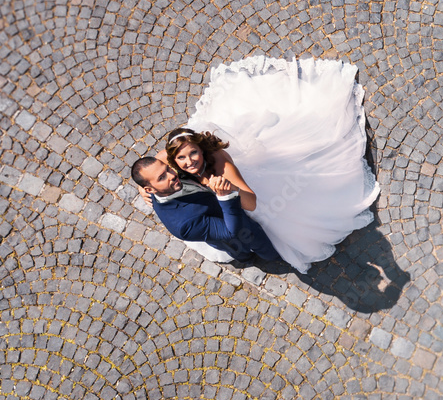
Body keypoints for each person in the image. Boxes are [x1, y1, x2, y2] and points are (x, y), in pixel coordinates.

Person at [140, 54, 380, 273]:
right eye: (181, 158)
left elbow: (251, 202)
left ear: (201, 148)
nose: (188, 162)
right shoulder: (170, 161)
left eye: (193, 153)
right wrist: (142, 187)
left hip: (245, 193)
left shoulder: (220, 162)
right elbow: (151, 167)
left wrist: (226, 191)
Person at [129, 156, 281, 262]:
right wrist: (224, 196)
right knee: (249, 249)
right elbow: (230, 232)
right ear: (149, 189)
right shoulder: (183, 225)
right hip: (235, 233)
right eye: (161, 178)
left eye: (168, 169)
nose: (172, 175)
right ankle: (255, 258)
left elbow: (165, 154)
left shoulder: (171, 175)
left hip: (229, 211)